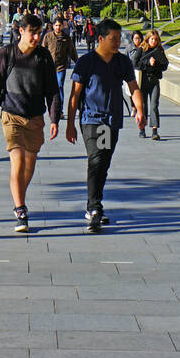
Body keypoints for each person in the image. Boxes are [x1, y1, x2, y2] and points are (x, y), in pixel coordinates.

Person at [67, 18, 144, 233]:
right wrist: (70, 123)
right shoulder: (87, 62)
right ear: (100, 39)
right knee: (97, 159)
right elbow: (75, 95)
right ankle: (94, 209)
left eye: (120, 38)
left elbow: (133, 87)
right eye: (113, 38)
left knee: (104, 162)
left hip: (111, 120)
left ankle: (95, 203)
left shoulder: (122, 62)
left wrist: (140, 110)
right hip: (92, 119)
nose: (118, 42)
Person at [0, 13, 61, 233]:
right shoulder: (6, 54)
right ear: (21, 31)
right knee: (18, 162)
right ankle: (20, 209)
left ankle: (19, 195)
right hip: (11, 116)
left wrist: (54, 118)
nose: (36, 37)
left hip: (35, 117)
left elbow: (53, 91)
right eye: (32, 33)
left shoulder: (43, 56)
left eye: (39, 33)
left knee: (29, 166)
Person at [137, 29, 169, 140]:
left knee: (154, 105)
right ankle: (142, 129)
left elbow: (165, 66)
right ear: (148, 39)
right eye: (152, 39)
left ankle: (155, 130)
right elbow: (134, 63)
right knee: (143, 106)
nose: (154, 41)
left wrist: (156, 64)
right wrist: (147, 63)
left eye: (156, 40)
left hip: (154, 81)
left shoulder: (159, 50)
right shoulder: (142, 49)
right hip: (143, 81)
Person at [41, 16, 79, 96]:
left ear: (62, 26)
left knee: (60, 85)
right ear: (53, 26)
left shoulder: (67, 38)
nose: (58, 27)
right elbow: (42, 50)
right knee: (49, 87)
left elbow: (72, 51)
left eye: (59, 25)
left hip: (61, 66)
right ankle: (52, 105)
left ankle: (60, 106)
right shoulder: (48, 36)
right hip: (49, 66)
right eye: (56, 25)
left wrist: (78, 62)